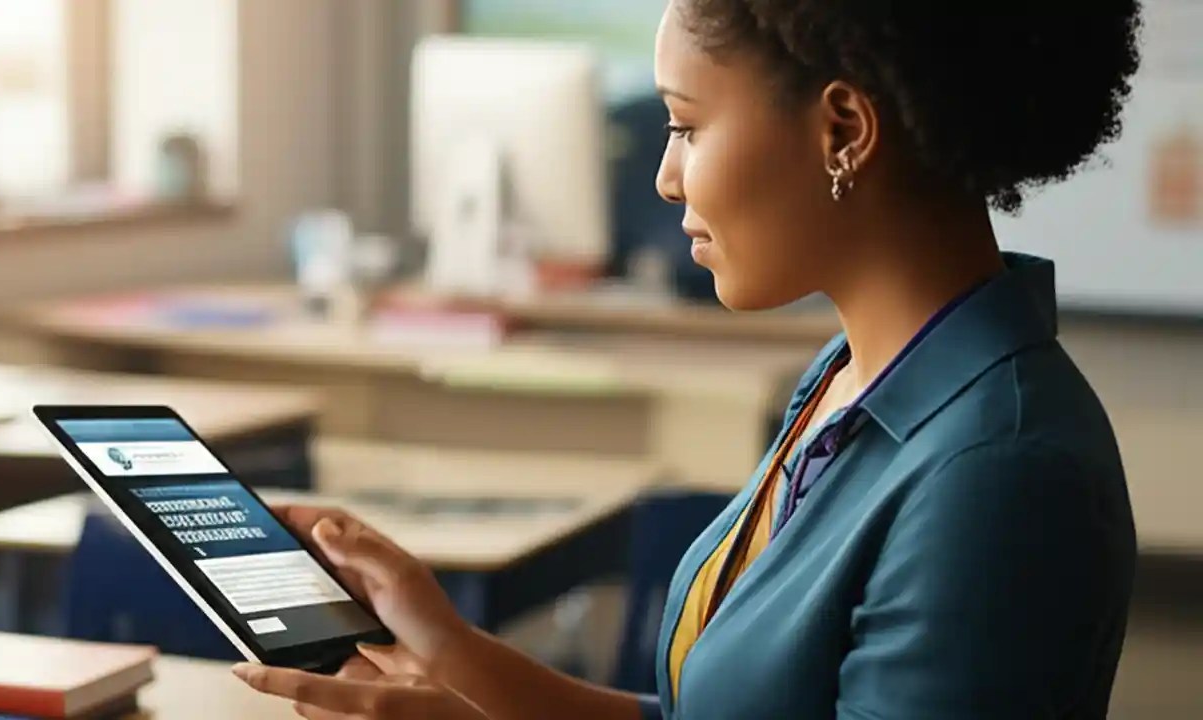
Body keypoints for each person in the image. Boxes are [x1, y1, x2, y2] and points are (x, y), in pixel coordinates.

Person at [233, 0, 1143, 717]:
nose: (667, 177)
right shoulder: (850, 381)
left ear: (843, 132)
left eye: (686, 126)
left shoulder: (1000, 472)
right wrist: (447, 646)